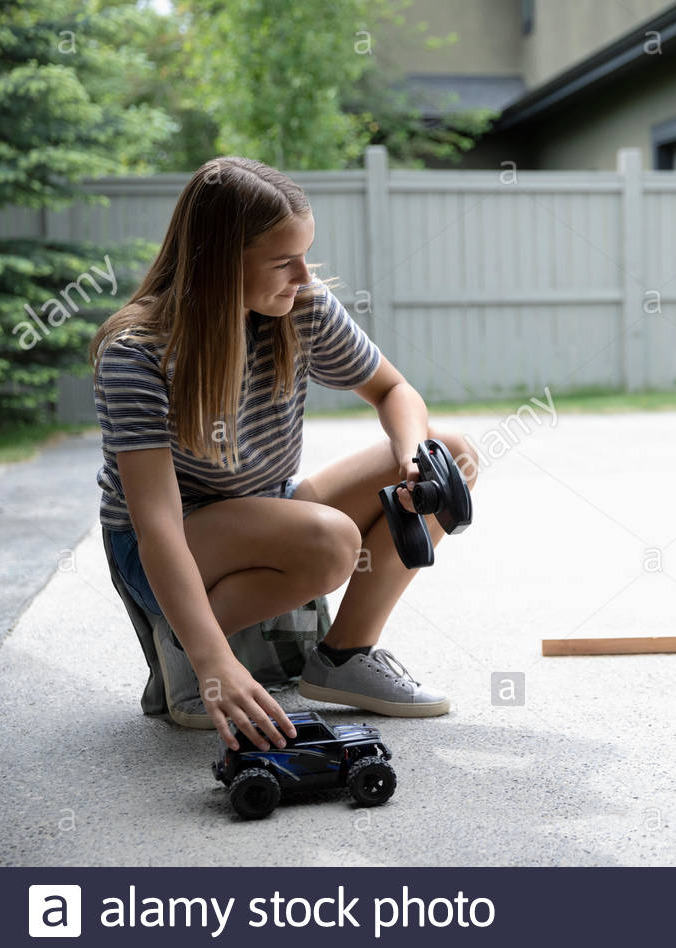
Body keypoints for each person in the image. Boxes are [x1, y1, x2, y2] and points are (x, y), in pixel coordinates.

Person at [89, 156, 479, 754]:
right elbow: (157, 524)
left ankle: (343, 656)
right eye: (283, 261)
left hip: (269, 508)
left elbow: (394, 390)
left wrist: (412, 459)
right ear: (218, 264)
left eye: (305, 255)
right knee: (330, 541)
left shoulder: (300, 304)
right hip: (166, 541)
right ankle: (196, 656)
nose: (303, 274)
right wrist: (215, 661)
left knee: (448, 453)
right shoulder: (136, 354)